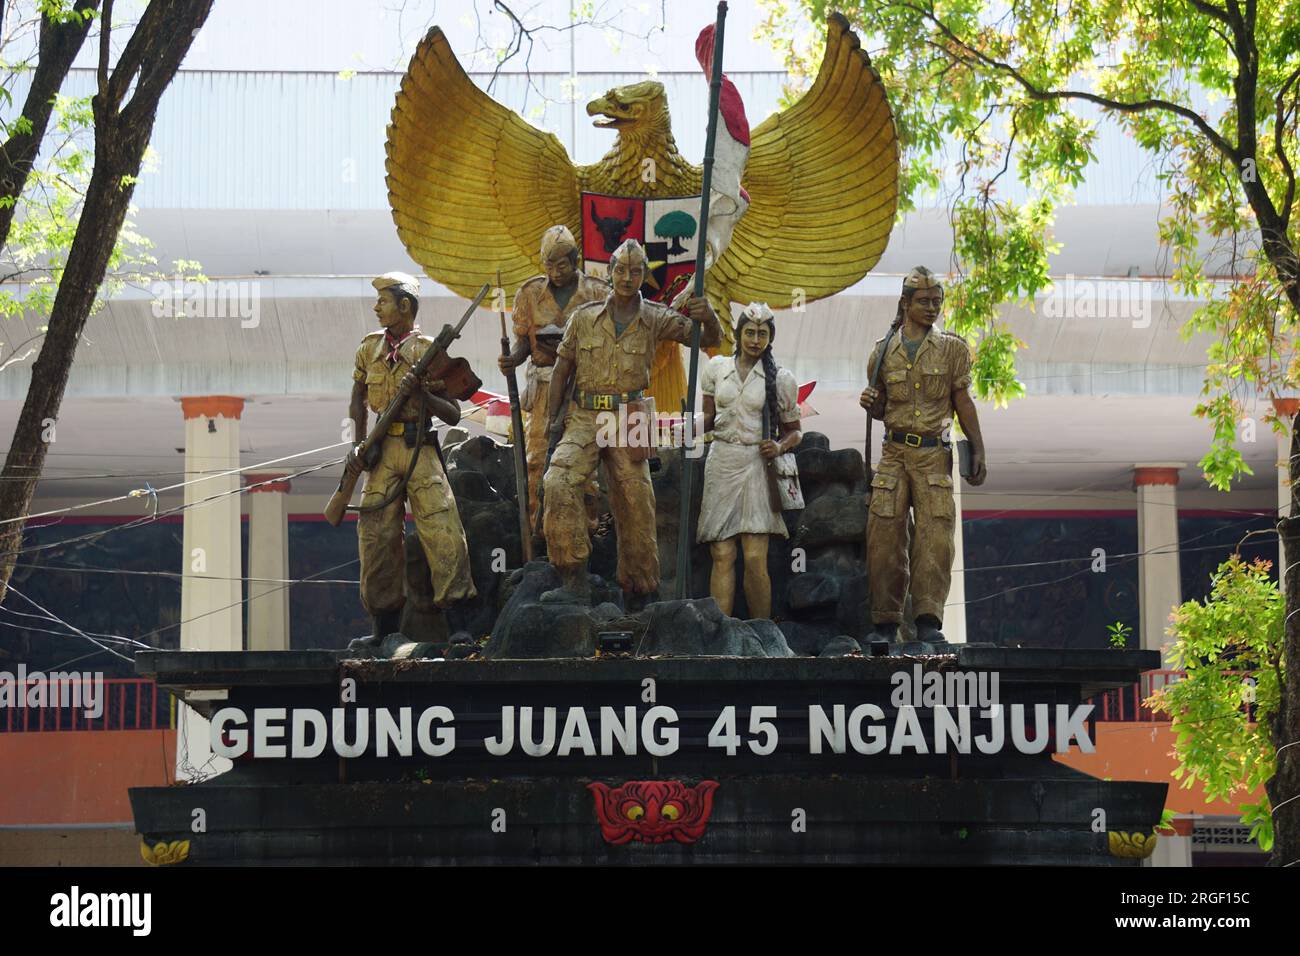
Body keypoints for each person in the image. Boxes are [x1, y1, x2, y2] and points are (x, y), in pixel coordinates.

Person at [541, 238, 722, 605]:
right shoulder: (584, 317)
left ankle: (640, 589)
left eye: (635, 271)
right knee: (558, 481)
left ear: (643, 276)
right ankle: (572, 577)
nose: (627, 277)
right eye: (621, 270)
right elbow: (562, 369)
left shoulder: (655, 317)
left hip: (631, 415)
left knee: (637, 500)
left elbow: (709, 339)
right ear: (609, 273)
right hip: (586, 415)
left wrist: (709, 316)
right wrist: (552, 419)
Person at [344, 272, 476, 644]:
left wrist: (422, 394)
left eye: (383, 301)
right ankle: (383, 631)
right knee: (375, 536)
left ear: (405, 305)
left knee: (443, 529)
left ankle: (459, 624)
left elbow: (452, 413)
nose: (376, 308)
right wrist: (359, 445)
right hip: (381, 452)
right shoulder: (368, 349)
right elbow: (357, 399)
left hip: (420, 448)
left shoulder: (429, 351)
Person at [860, 267, 987, 644]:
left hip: (933, 454)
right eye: (924, 302)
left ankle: (928, 621)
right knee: (884, 533)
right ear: (905, 304)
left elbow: (963, 400)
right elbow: (882, 407)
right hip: (893, 452)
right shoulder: (881, 352)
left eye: (936, 302)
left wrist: (978, 447)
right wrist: (872, 402)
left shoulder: (952, 350)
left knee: (935, 536)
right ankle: (885, 623)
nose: (932, 308)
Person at [498, 225, 610, 527]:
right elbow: (524, 341)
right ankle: (540, 532)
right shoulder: (530, 293)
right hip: (544, 389)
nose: (556, 272)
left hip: (582, 391)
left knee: (583, 464)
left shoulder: (598, 292)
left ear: (575, 261)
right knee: (537, 460)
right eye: (549, 265)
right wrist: (513, 360)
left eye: (562, 264)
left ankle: (584, 534)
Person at [698, 302, 802, 619]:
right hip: (722, 460)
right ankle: (722, 633)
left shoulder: (780, 378)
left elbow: (795, 431)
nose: (755, 340)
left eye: (762, 334)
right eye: (749, 332)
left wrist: (780, 446)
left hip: (757, 464)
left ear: (770, 338)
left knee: (755, 554)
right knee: (721, 552)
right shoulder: (717, 368)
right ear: (738, 333)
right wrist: (679, 428)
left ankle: (761, 632)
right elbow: (707, 417)